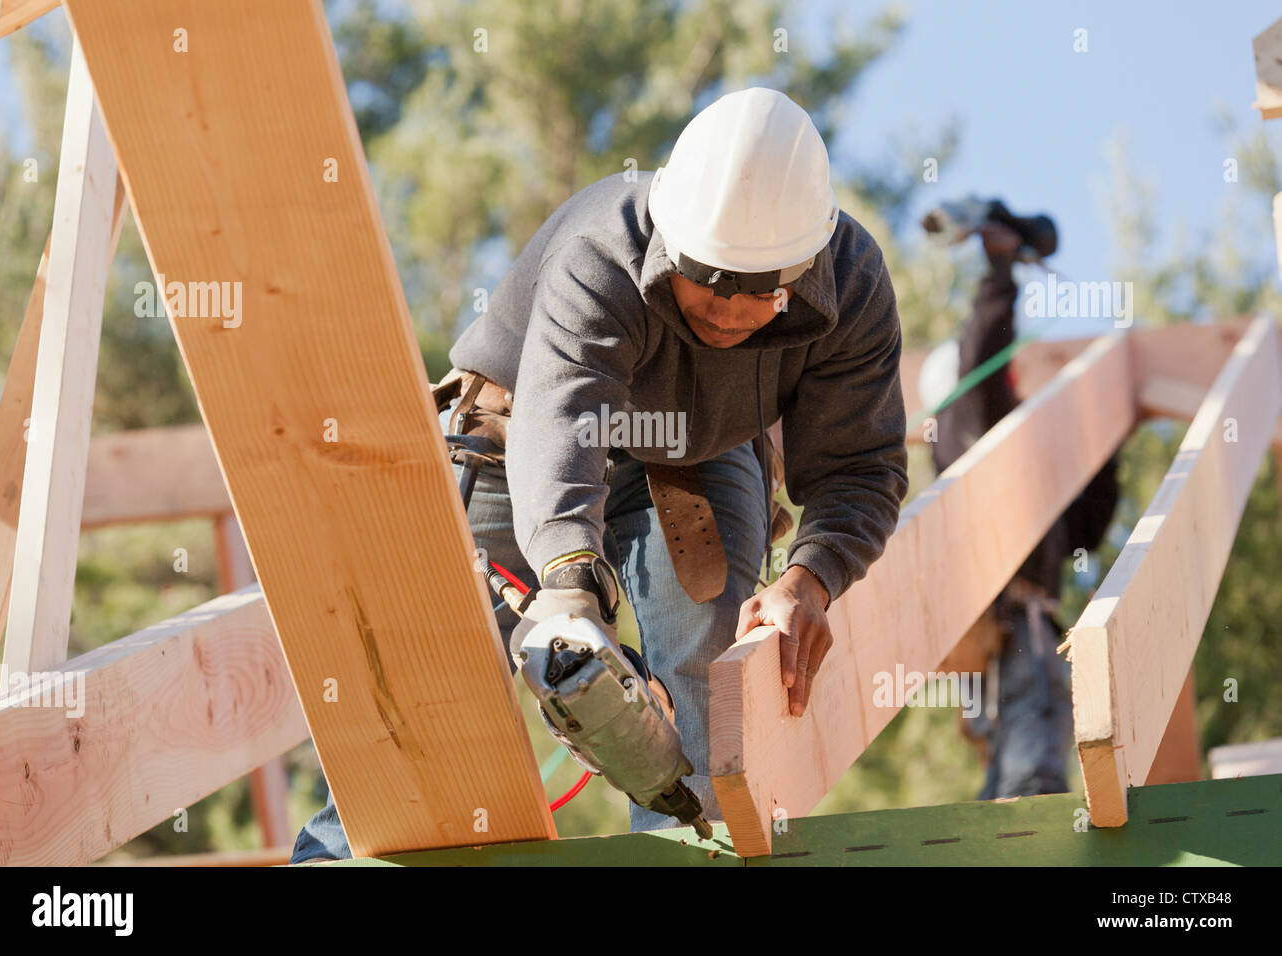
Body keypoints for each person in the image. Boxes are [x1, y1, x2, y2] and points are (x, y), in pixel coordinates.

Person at [291, 87, 908, 863]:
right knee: (425, 690)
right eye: (704, 277)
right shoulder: (604, 246)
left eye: (756, 292)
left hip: (697, 455)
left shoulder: (850, 283)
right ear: (668, 240)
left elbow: (861, 466)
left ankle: (690, 851)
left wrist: (807, 582)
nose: (724, 309)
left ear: (804, 269)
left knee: (708, 678)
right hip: (517, 436)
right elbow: (564, 424)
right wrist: (569, 585)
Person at [931, 220, 1119, 799]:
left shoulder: (1013, 471)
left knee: (1008, 770)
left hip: (1007, 629)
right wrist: (999, 272)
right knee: (1031, 767)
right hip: (1014, 625)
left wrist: (1102, 443)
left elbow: (1084, 522)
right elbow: (985, 347)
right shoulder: (971, 428)